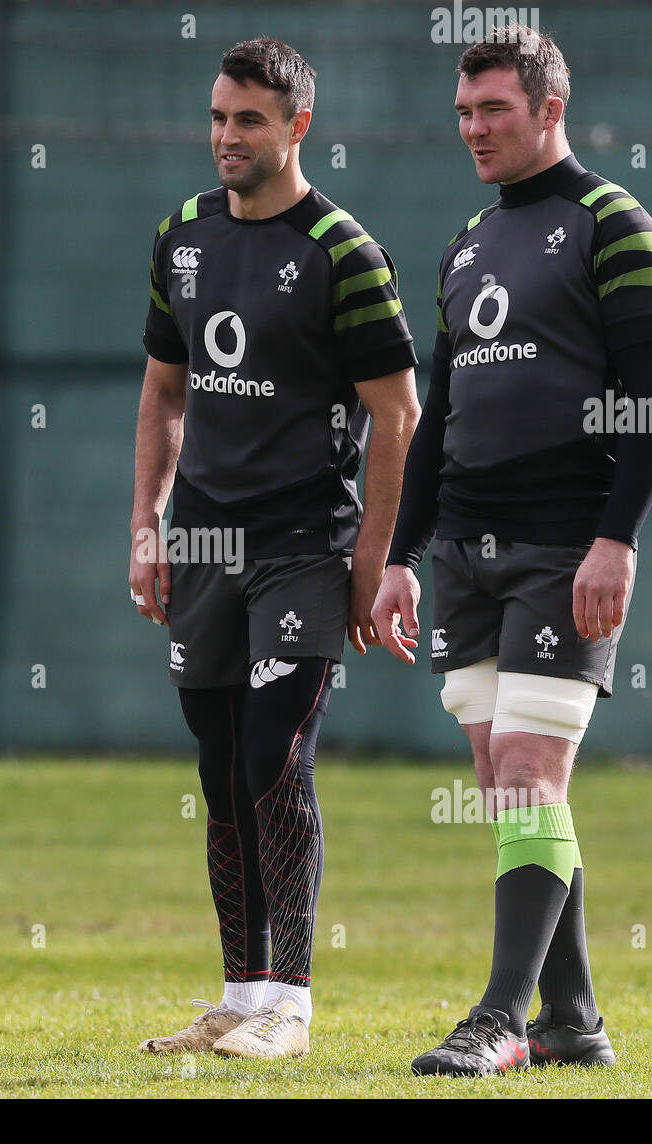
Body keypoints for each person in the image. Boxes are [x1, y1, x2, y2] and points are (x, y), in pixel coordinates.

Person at [372, 25, 652, 1076]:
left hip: (563, 542)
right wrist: (402, 556)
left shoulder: (615, 225)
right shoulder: (465, 243)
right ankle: (572, 1018)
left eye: (492, 110)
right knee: (506, 785)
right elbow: (438, 418)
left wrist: (616, 540)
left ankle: (500, 1017)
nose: (473, 129)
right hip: (462, 549)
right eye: (463, 113)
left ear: (549, 109)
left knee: (525, 771)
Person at [130, 37, 419, 1059]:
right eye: (216, 116)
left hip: (301, 540)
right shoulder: (181, 236)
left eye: (248, 119)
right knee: (218, 767)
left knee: (274, 757)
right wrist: (148, 525)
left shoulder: (343, 251)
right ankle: (239, 993)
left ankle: (290, 1005)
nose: (225, 137)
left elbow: (398, 414)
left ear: (298, 125)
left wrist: (374, 558)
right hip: (201, 541)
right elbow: (165, 391)